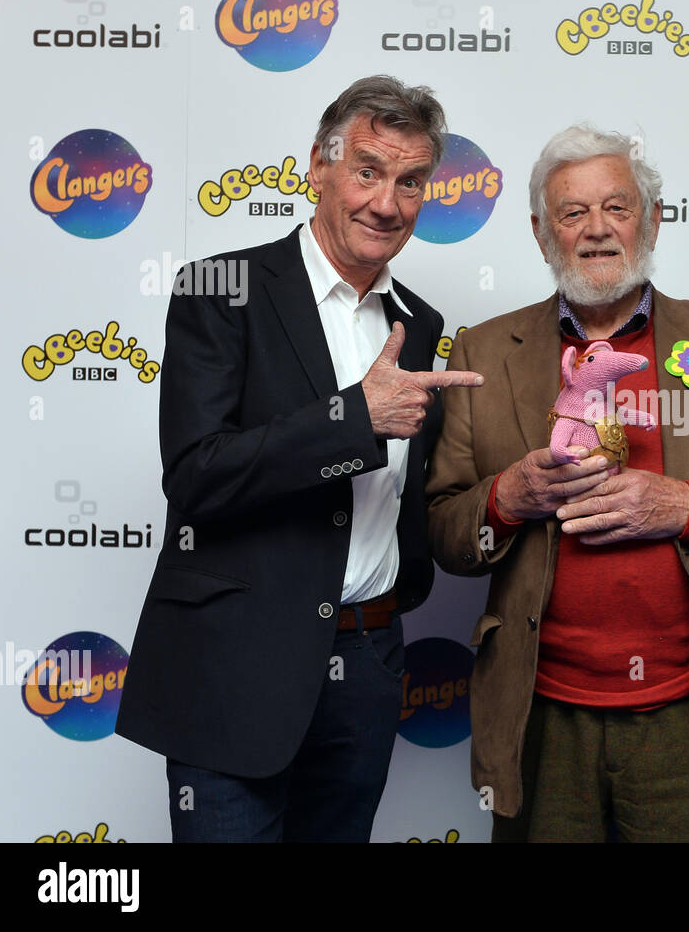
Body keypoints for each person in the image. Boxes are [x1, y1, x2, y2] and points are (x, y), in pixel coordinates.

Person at [426, 125, 689, 842]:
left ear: (655, 218)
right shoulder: (483, 351)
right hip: (539, 709)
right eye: (572, 213)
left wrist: (688, 506)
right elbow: (448, 533)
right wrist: (505, 499)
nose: (598, 230)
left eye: (618, 206)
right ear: (543, 235)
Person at [117, 75, 482, 842]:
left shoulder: (421, 324)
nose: (387, 202)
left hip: (370, 662)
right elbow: (196, 473)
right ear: (318, 166)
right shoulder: (222, 290)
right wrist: (357, 417)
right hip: (236, 667)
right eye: (367, 171)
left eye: (410, 182)